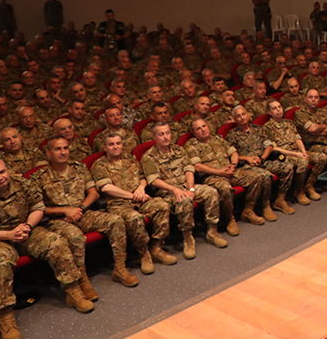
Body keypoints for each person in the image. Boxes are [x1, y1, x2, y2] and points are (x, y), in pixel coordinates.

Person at [0, 159, 96, 334]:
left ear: (7, 170)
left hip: (26, 230)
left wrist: (28, 226)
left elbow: (38, 207)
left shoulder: (24, 184)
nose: (0, 177)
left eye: (2, 172)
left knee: (55, 242)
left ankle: (74, 291)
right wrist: (8, 235)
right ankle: (6, 319)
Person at [32, 136, 140, 289]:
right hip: (59, 220)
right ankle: (82, 280)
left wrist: (81, 208)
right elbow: (38, 208)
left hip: (83, 213)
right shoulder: (39, 177)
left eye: (65, 148)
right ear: (48, 153)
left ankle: (120, 268)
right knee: (75, 237)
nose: (63, 152)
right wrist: (65, 210)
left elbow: (94, 193)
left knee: (116, 221)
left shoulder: (79, 168)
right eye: (58, 149)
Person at [140, 122, 228, 259]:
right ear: (154, 137)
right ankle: (188, 238)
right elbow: (153, 180)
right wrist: (175, 190)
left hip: (185, 186)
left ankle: (212, 231)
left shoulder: (178, 150)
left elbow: (189, 170)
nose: (165, 137)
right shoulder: (149, 157)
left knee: (211, 192)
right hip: (167, 192)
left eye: (167, 133)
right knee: (184, 201)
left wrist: (191, 188)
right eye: (161, 134)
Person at [91, 132, 176, 270]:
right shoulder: (99, 165)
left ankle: (157, 247)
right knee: (134, 218)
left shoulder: (130, 160)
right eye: (111, 144)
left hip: (140, 198)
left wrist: (141, 188)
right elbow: (106, 188)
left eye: (118, 143)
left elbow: (143, 177)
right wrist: (132, 196)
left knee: (162, 206)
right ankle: (144, 254)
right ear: (105, 147)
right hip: (118, 204)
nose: (115, 147)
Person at [184, 117, 274, 228]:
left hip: (230, 171)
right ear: (193, 132)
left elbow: (233, 153)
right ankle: (229, 218)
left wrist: (233, 165)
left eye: (204, 126)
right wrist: (219, 172)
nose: (203, 130)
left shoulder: (218, 139)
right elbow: (197, 166)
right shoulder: (191, 145)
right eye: (198, 128)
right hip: (213, 176)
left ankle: (248, 210)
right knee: (225, 188)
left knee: (257, 177)